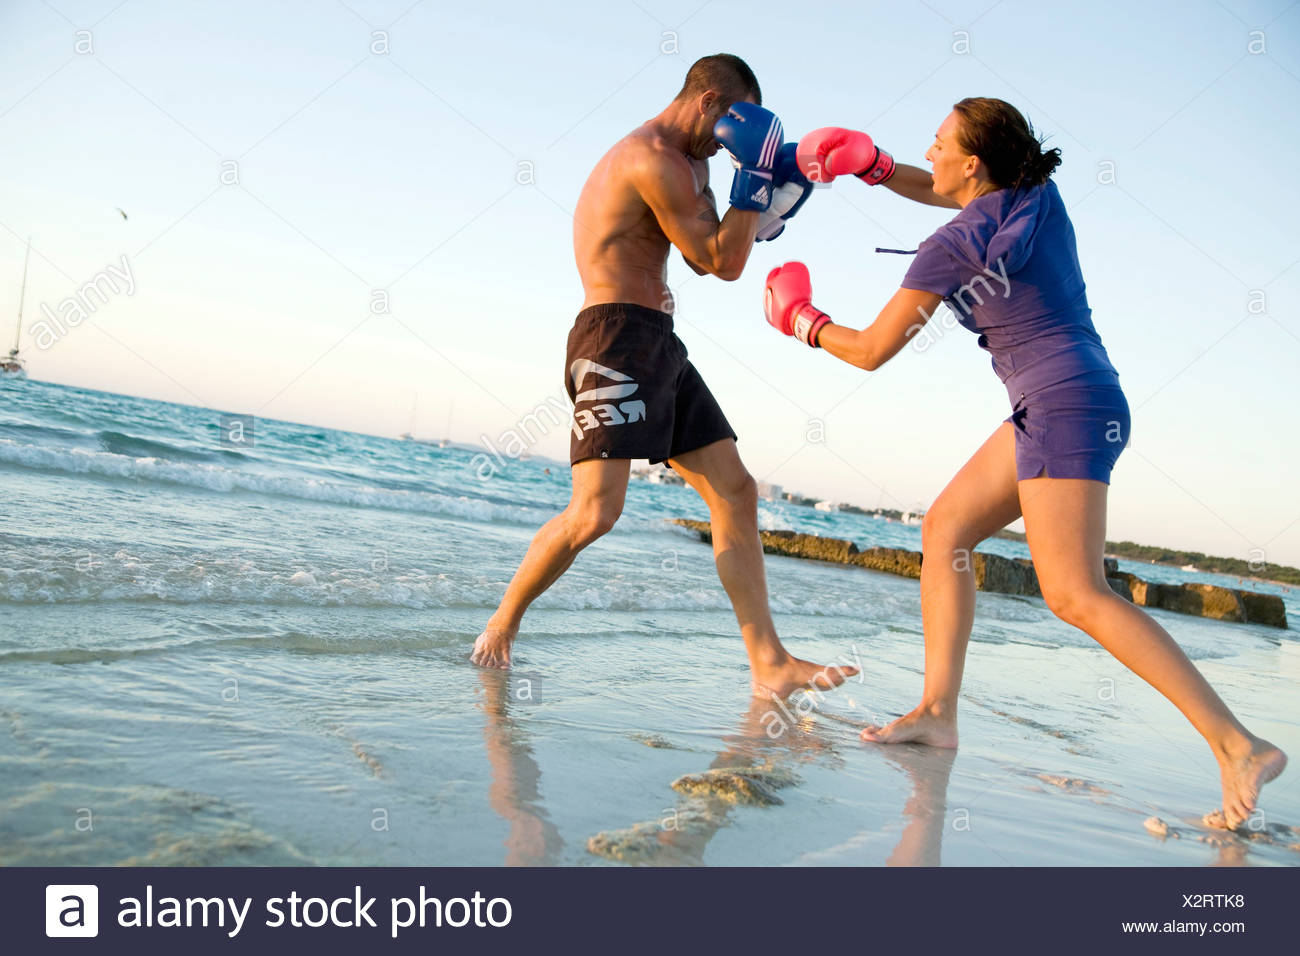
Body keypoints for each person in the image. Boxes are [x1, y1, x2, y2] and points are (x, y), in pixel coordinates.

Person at [761, 98, 1286, 828]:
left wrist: (799, 321)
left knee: (1075, 593)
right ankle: (938, 712)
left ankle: (1237, 744)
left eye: (938, 142)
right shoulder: (1036, 194)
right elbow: (940, 186)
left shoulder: (952, 244)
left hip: (1061, 405)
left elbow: (872, 351)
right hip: (1077, 395)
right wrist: (877, 171)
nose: (930, 151)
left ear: (971, 161)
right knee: (946, 529)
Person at [472, 54, 857, 698]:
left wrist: (767, 199)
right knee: (595, 511)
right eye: (732, 121)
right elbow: (722, 262)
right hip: (615, 338)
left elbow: (713, 262)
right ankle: (501, 626)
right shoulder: (652, 159)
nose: (727, 141)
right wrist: (757, 180)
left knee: (736, 491)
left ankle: (770, 663)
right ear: (708, 100)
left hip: (658, 342)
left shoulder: (697, 164)